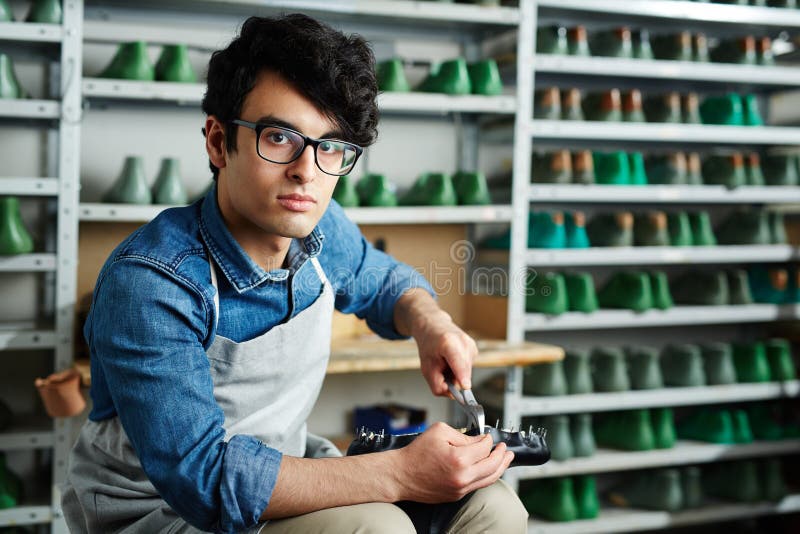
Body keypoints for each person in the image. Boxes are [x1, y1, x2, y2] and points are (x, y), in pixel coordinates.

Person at [61, 13, 527, 534]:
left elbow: (383, 280)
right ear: (218, 141)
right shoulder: (150, 282)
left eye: (330, 145)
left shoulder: (318, 227)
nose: (307, 170)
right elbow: (205, 479)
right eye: (280, 137)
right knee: (378, 528)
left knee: (494, 506)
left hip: (281, 468)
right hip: (162, 510)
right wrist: (399, 473)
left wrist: (430, 323)